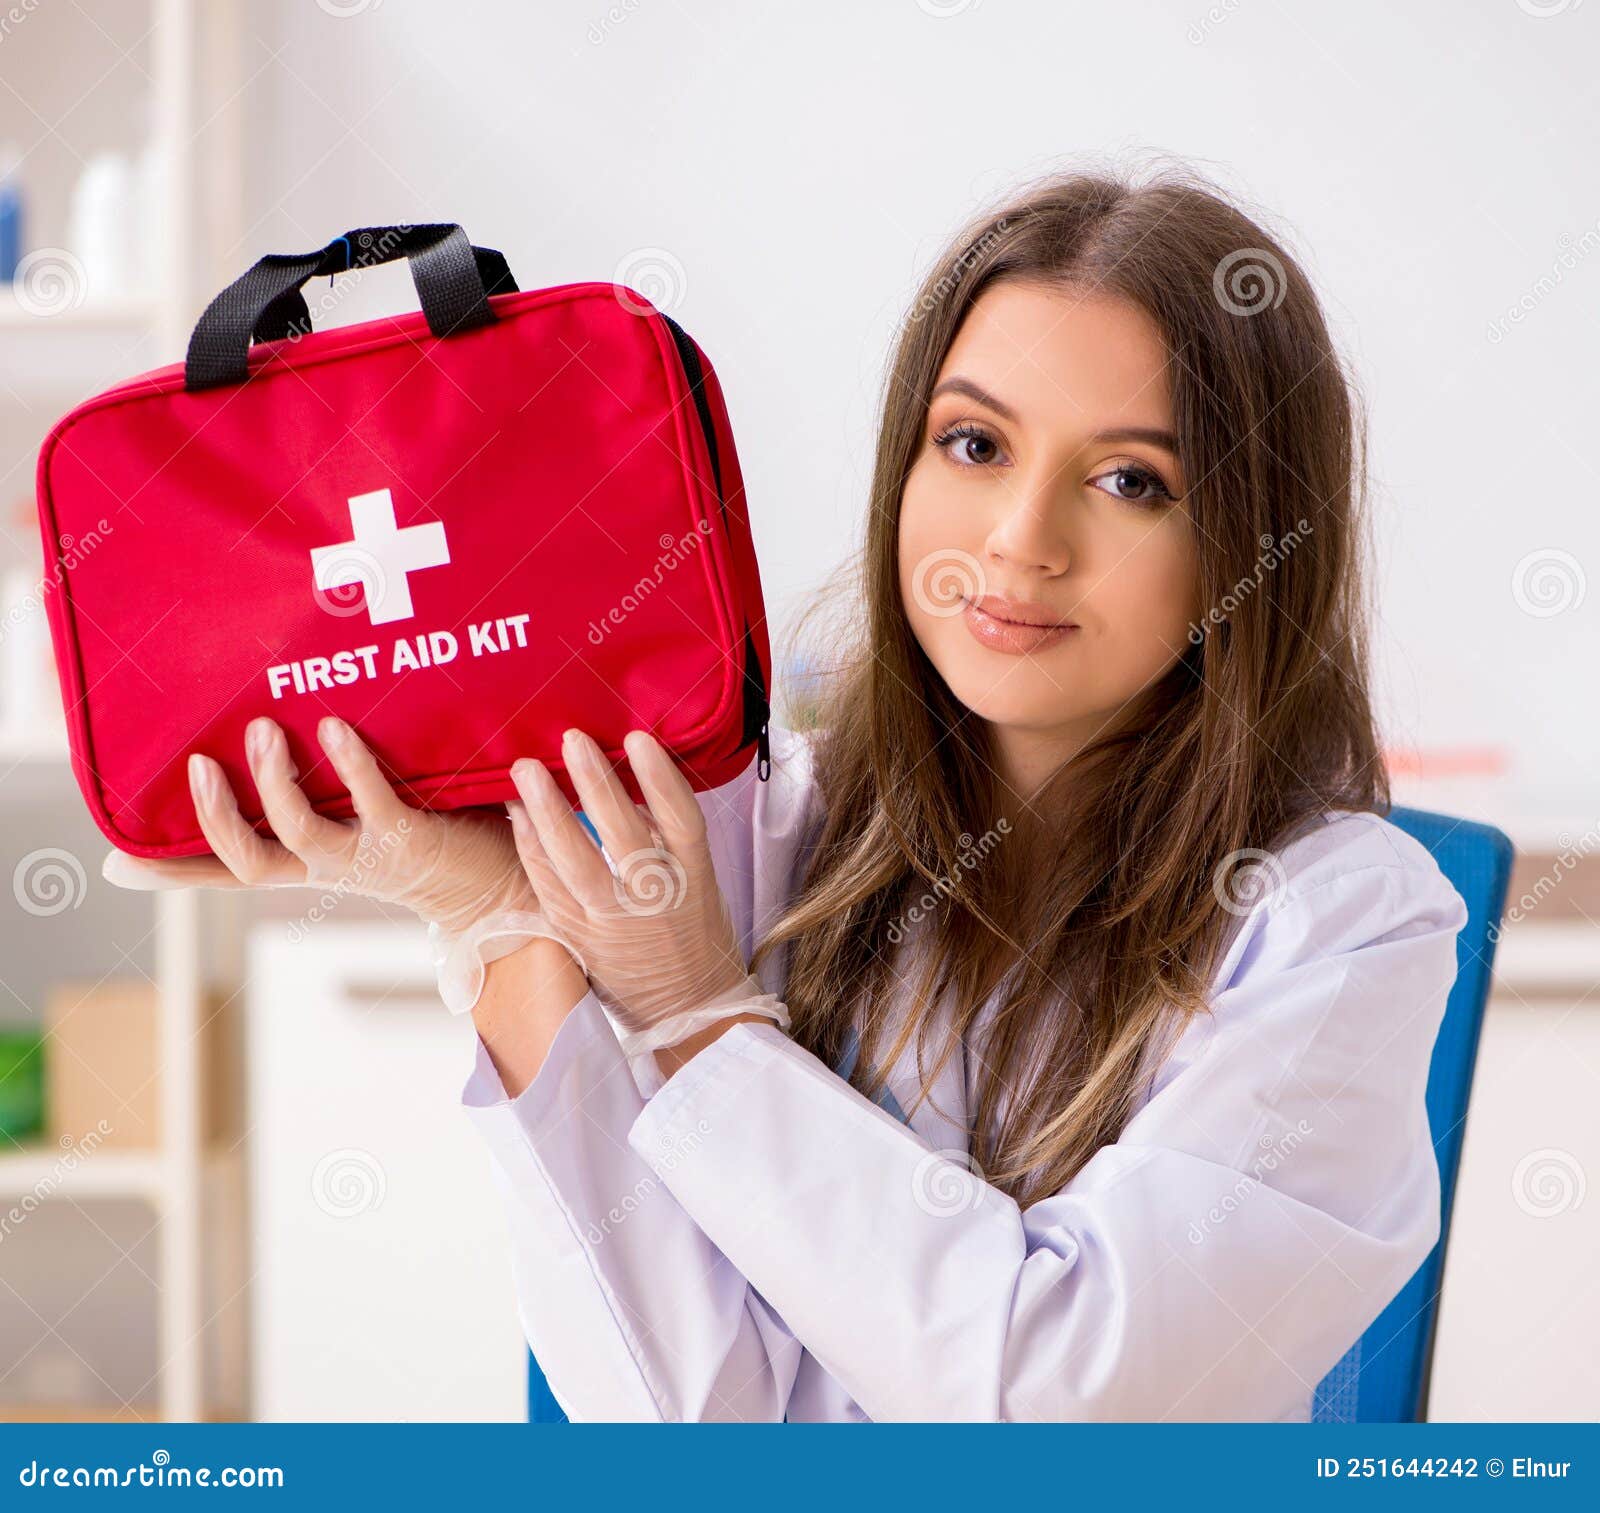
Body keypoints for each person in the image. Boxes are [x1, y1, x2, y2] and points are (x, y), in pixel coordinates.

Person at [105, 166, 1468, 1422]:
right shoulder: (761, 831)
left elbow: (1061, 1406)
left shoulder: (1338, 921)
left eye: (1129, 479)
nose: (1019, 540)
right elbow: (692, 1420)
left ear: (1252, 540)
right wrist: (503, 921)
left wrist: (703, 1024)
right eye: (975, 445)